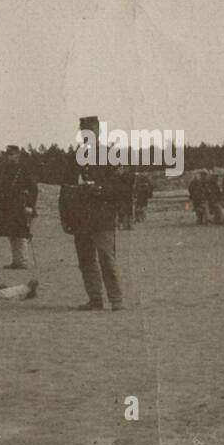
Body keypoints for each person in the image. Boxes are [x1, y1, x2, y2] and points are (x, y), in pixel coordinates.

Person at [63, 129, 125, 312]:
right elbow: (65, 189)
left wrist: (101, 189)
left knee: (106, 258)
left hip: (102, 218)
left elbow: (121, 186)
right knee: (86, 260)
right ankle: (95, 299)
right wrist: (65, 217)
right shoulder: (75, 158)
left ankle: (116, 300)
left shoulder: (110, 154)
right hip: (80, 219)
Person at [0, 145, 37, 269]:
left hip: (20, 205)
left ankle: (23, 261)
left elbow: (33, 189)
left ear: (18, 155)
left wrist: (30, 205)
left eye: (12, 154)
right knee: (11, 233)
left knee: (21, 233)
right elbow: (0, 188)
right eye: (8, 154)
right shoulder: (5, 170)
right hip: (7, 206)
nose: (10, 157)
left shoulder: (23, 169)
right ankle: (16, 261)